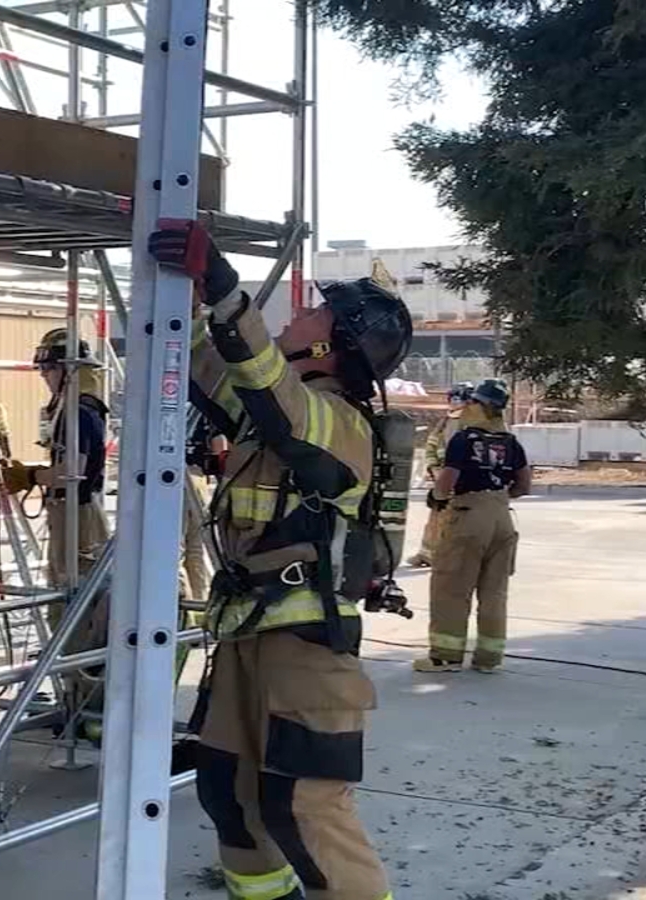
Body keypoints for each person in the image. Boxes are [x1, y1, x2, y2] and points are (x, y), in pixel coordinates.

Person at [152, 220, 410, 900]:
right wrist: (184, 296)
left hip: (306, 645)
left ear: (333, 344)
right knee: (228, 794)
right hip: (246, 630)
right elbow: (217, 369)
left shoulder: (340, 422)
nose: (298, 314)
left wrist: (229, 291)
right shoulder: (271, 406)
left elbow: (282, 409)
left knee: (303, 806)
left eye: (315, 311)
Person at [0, 329, 112, 710]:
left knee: (71, 608)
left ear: (65, 368)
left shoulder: (77, 411)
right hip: (77, 513)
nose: (44, 377)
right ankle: (77, 698)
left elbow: (72, 471)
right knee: (75, 605)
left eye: (48, 369)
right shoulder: (83, 407)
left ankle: (77, 702)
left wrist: (30, 476)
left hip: (76, 517)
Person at [414, 378, 531, 674]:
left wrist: (438, 497)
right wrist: (499, 496)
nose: (467, 406)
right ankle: (489, 658)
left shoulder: (464, 440)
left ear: (482, 407)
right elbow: (524, 485)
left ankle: (445, 656)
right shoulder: (510, 442)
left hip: (468, 515)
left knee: (451, 586)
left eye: (472, 402)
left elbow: (448, 478)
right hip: (503, 518)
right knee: (495, 592)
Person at [406, 381, 476, 567]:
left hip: (460, 479)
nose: (453, 402)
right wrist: (433, 468)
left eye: (458, 398)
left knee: (456, 520)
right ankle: (427, 554)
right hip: (442, 476)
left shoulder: (471, 425)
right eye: (452, 398)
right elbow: (432, 444)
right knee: (436, 516)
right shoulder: (445, 422)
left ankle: (452, 556)